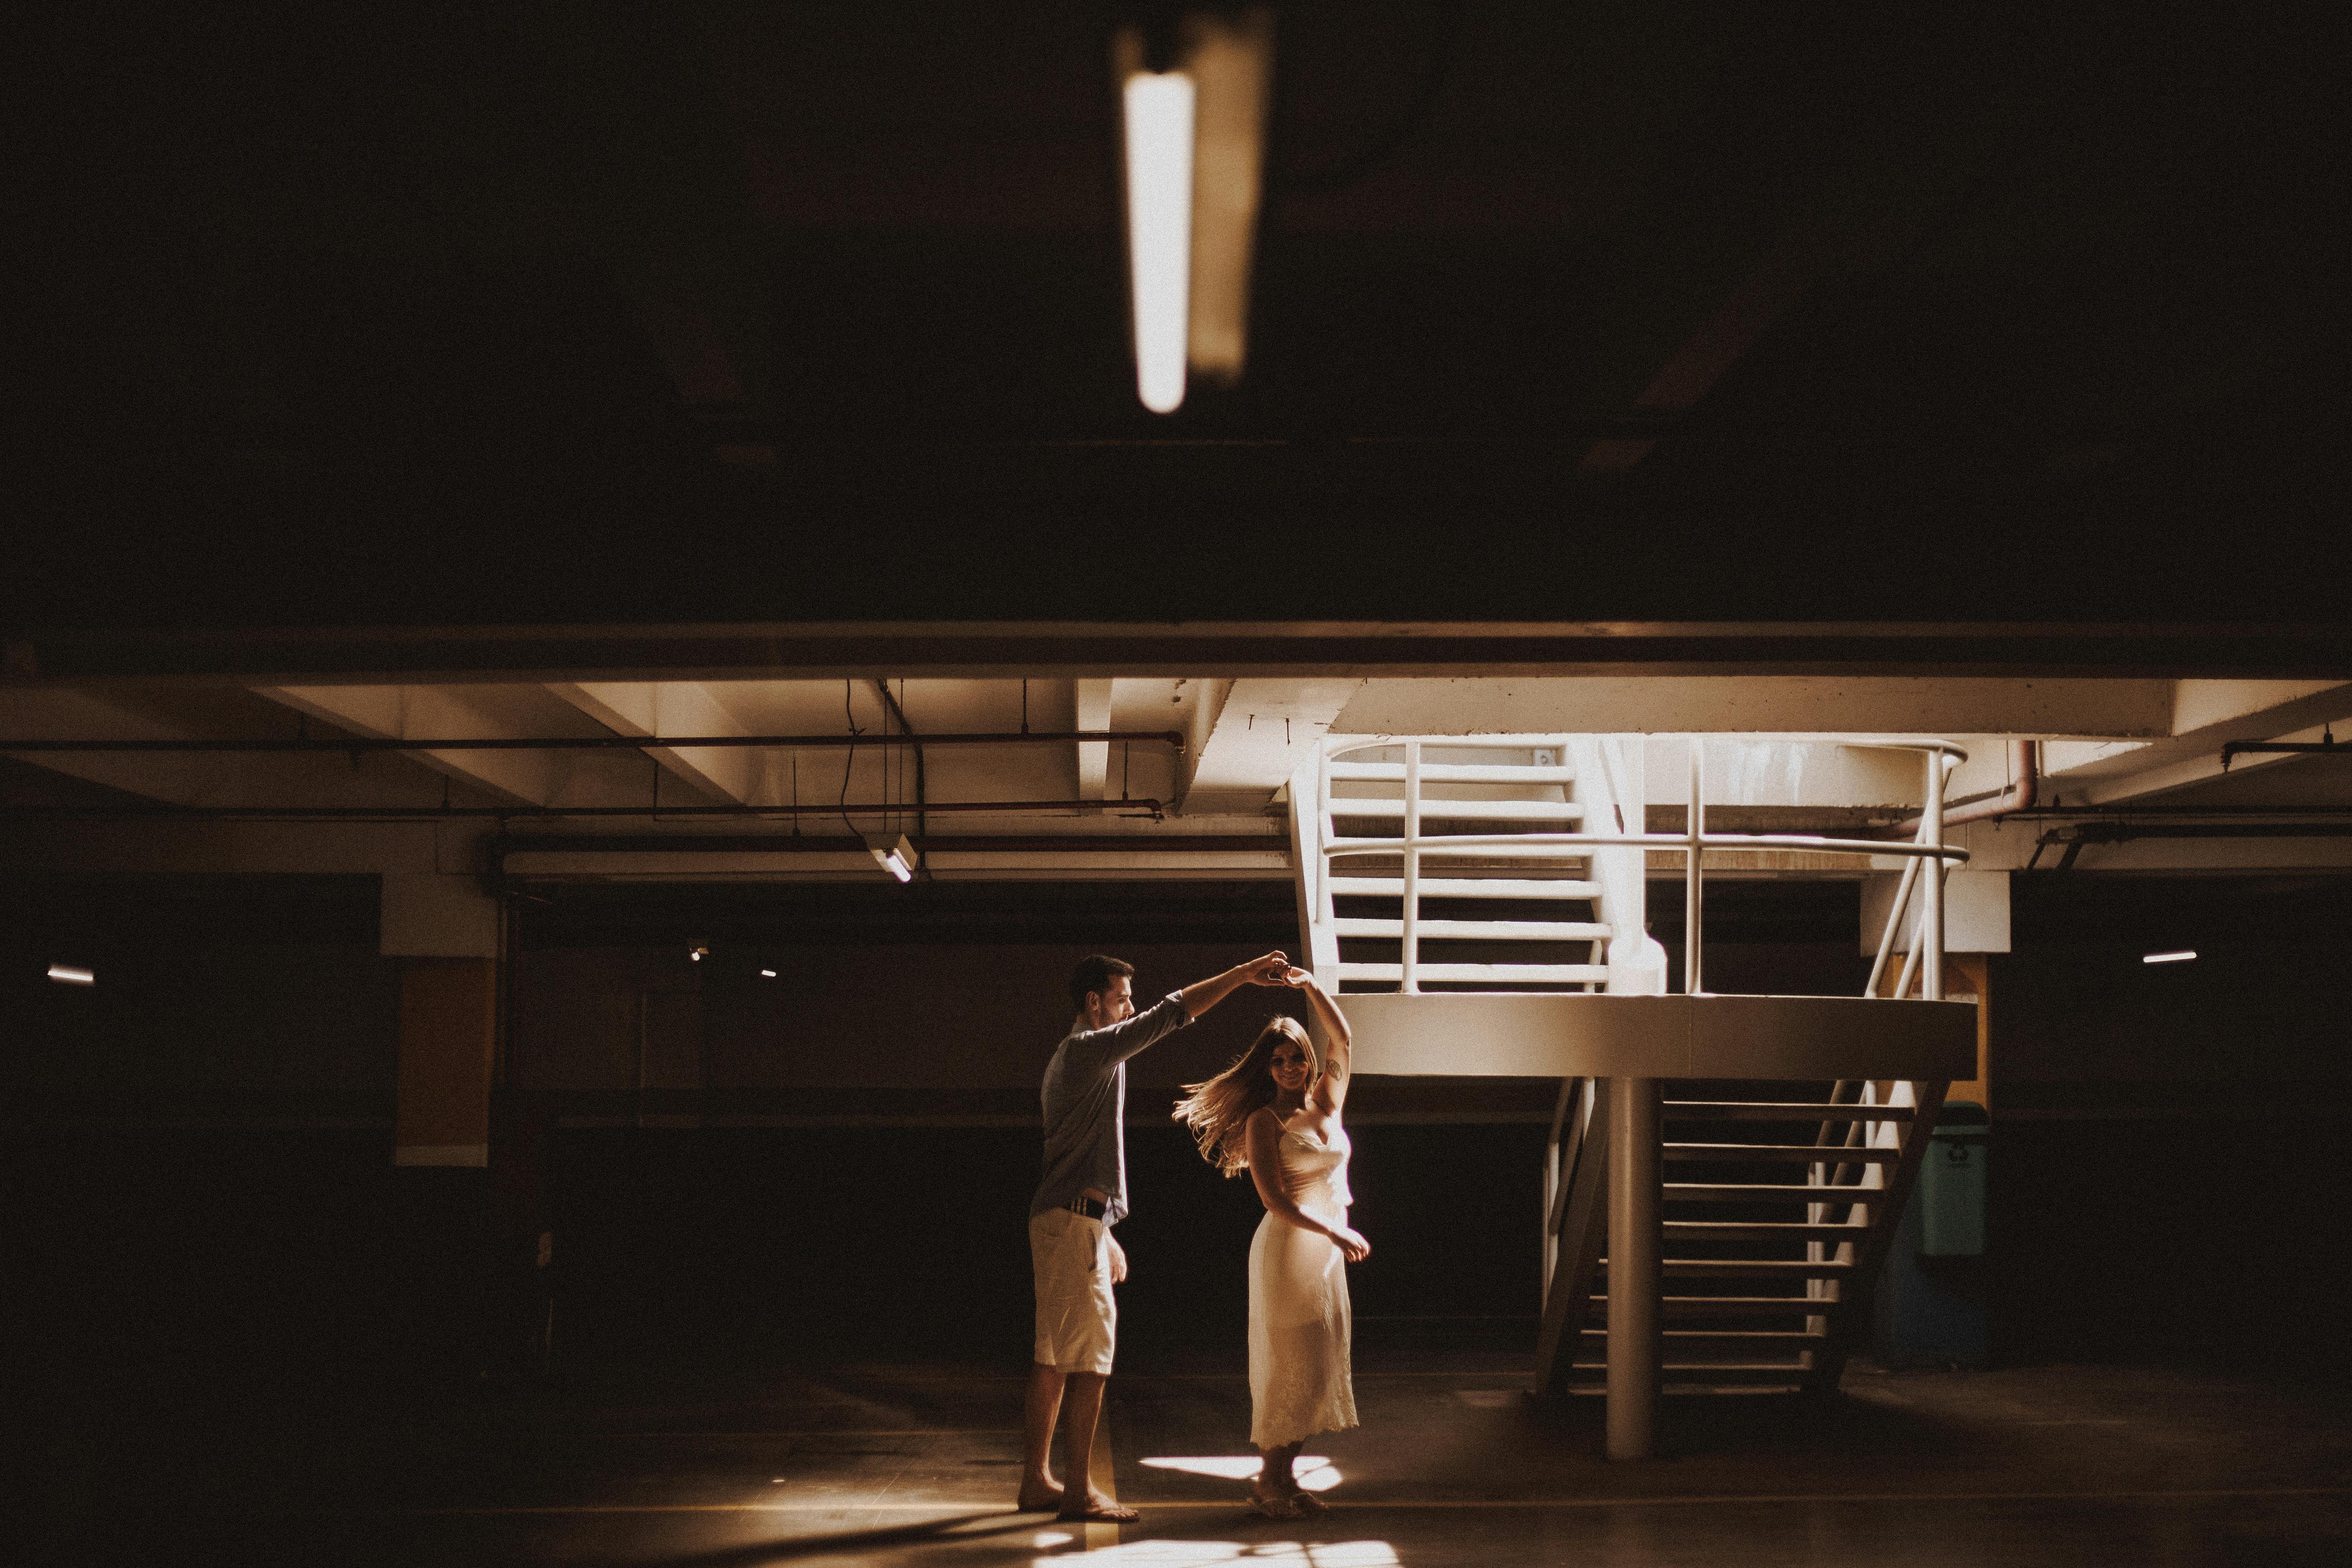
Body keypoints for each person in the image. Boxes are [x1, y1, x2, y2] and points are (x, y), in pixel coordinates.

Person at [1021, 949, 1296, 1522]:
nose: (1131, 1007)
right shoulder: (1089, 1049)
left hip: (1068, 1219)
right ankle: (1077, 1490)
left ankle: (1036, 1481)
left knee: (1051, 1358)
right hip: (1071, 1223)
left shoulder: (1074, 1058)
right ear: (1095, 1003)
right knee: (1092, 1362)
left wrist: (1104, 1229)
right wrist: (1244, 974)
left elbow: (1078, 1155)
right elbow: (1174, 1012)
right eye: (1122, 998)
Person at [1172, 967, 1365, 1518]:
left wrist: (1309, 986)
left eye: (1296, 1057)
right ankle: (1266, 1483)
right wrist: (1336, 1229)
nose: (1289, 1068)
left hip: (1327, 1254)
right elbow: (1275, 1201)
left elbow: (1344, 1039)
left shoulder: (1327, 1103)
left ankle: (1285, 1477)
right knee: (1289, 1367)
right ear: (1268, 1067)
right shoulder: (1264, 1119)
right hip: (1290, 1249)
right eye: (1278, 1061)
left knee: (1320, 1367)